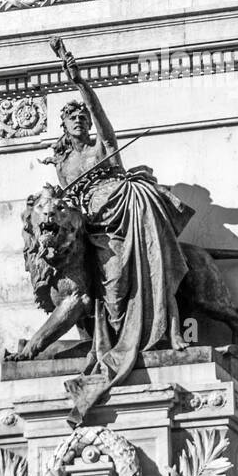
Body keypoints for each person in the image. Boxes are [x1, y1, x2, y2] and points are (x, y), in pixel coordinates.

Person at [43, 38, 194, 420]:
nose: (79, 120)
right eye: (72, 117)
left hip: (126, 211)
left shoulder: (100, 149)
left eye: (82, 117)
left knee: (143, 269)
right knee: (107, 294)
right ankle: (105, 340)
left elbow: (103, 120)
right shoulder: (63, 165)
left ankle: (163, 331)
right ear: (63, 126)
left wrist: (80, 83)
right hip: (92, 227)